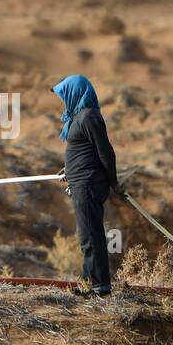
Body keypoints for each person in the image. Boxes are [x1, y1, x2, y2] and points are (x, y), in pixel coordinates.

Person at [52, 74, 121, 297]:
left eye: (65, 94)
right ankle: (87, 282)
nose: (63, 100)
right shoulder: (78, 117)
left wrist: (114, 182)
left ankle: (100, 287)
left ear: (75, 93)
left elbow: (105, 152)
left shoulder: (89, 117)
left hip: (88, 184)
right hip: (81, 181)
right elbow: (85, 153)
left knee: (91, 236)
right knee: (86, 236)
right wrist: (69, 170)